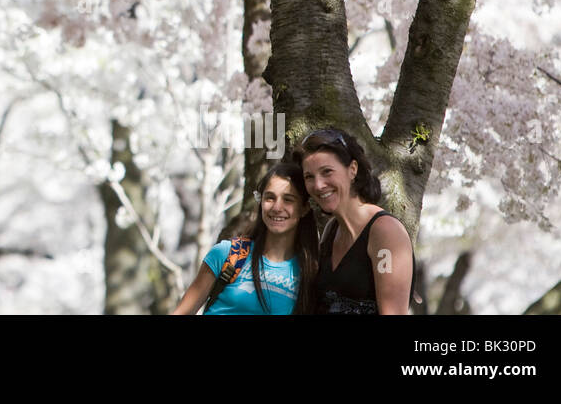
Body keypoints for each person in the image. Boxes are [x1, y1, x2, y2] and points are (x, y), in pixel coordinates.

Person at [294, 128, 415, 314]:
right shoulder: (331, 230)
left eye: (327, 172)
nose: (318, 185)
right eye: (309, 177)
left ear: (352, 169)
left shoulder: (385, 232)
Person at [171, 160, 318, 314]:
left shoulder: (309, 273)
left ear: (304, 208)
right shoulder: (227, 254)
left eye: (288, 199)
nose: (276, 207)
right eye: (270, 198)